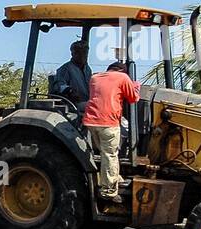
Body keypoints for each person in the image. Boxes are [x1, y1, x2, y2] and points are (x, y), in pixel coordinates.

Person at [83, 60, 141, 203]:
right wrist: (136, 87)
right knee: (110, 155)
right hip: (108, 123)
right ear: (122, 71)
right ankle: (108, 192)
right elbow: (133, 98)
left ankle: (114, 177)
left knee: (104, 153)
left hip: (91, 122)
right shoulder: (123, 78)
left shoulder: (95, 77)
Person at [49, 40, 92, 107]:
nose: (82, 55)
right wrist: (69, 90)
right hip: (73, 104)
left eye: (84, 52)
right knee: (94, 108)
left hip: (86, 101)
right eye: (78, 53)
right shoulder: (65, 68)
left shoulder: (87, 69)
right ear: (72, 53)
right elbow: (59, 85)